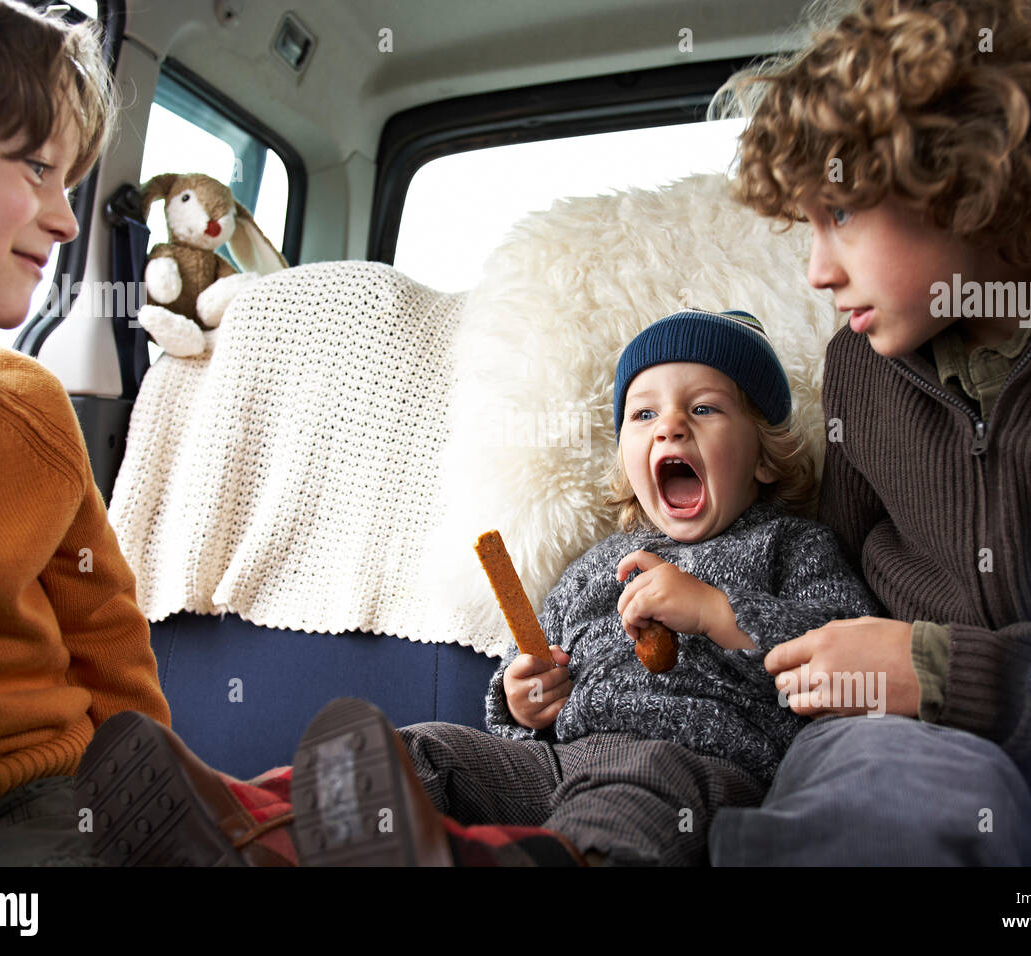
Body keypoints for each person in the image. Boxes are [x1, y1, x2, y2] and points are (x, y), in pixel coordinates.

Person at [77, 308, 880, 866]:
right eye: (644, 416)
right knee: (428, 751)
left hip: (693, 770)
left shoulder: (789, 545)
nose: (670, 427)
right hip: (553, 768)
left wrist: (718, 614)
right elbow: (525, 690)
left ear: (767, 454)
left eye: (704, 409)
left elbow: (845, 655)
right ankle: (260, 823)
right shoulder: (598, 567)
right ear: (628, 467)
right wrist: (526, 700)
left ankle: (549, 863)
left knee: (634, 794)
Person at [707, 0, 1031, 864]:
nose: (817, 272)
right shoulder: (856, 366)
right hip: (900, 748)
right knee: (893, 801)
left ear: (970, 182)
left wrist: (952, 673)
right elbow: (833, 584)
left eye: (841, 215)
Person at [0, 0, 170, 867]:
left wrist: (154, 804)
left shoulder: (31, 411)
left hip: (31, 801)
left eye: (68, 181)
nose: (68, 219)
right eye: (33, 168)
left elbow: (107, 635)